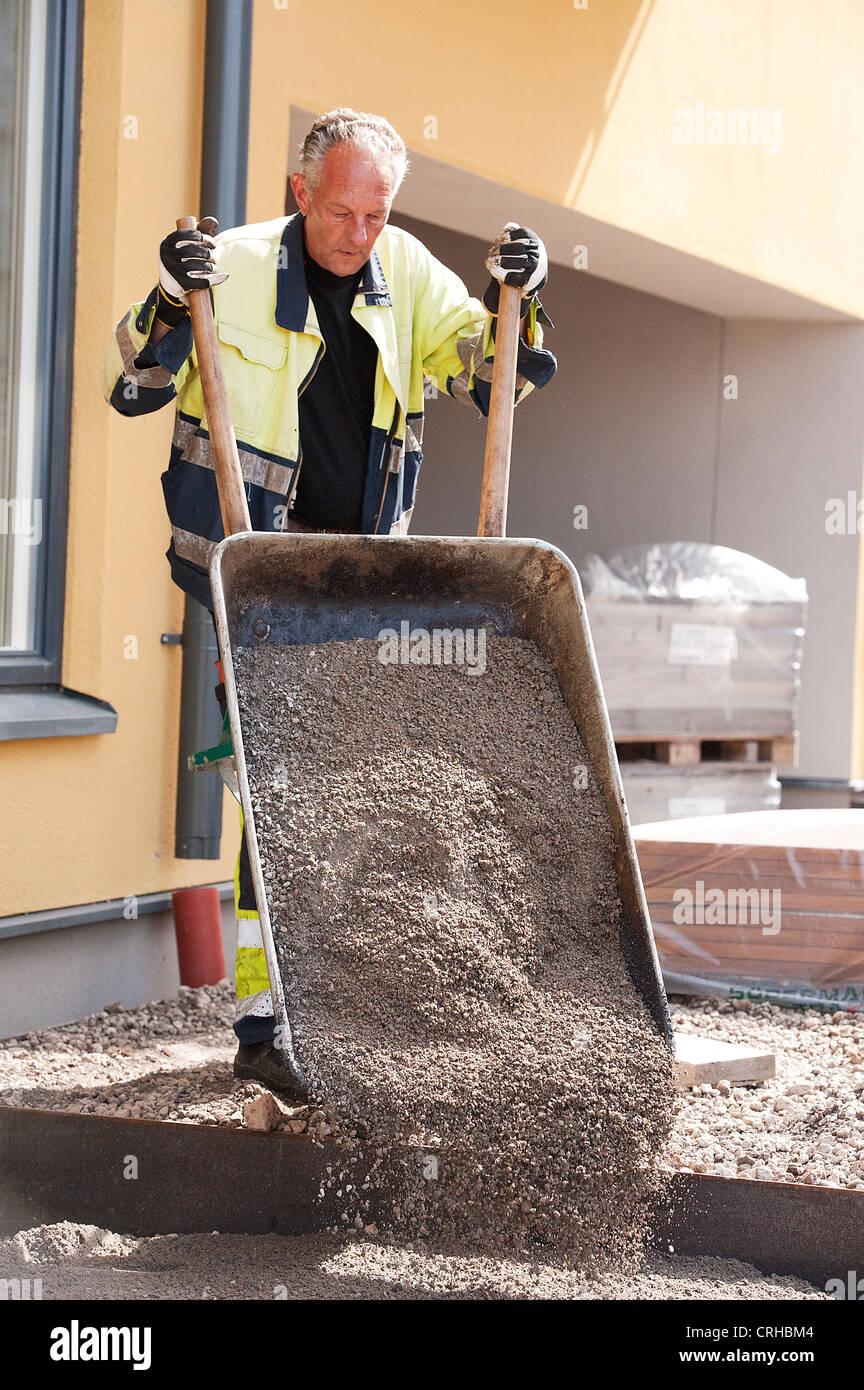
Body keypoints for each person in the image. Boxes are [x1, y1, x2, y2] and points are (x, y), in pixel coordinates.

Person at [102, 107, 557, 1096]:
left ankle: (360, 1000)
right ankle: (268, 1020)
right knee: (281, 796)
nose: (359, 233)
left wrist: (515, 291)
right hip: (253, 569)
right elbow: (128, 379)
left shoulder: (411, 276)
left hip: (361, 579)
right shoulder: (226, 265)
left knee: (365, 792)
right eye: (341, 210)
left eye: (377, 213)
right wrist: (173, 298)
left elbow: (500, 373)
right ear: (302, 193)